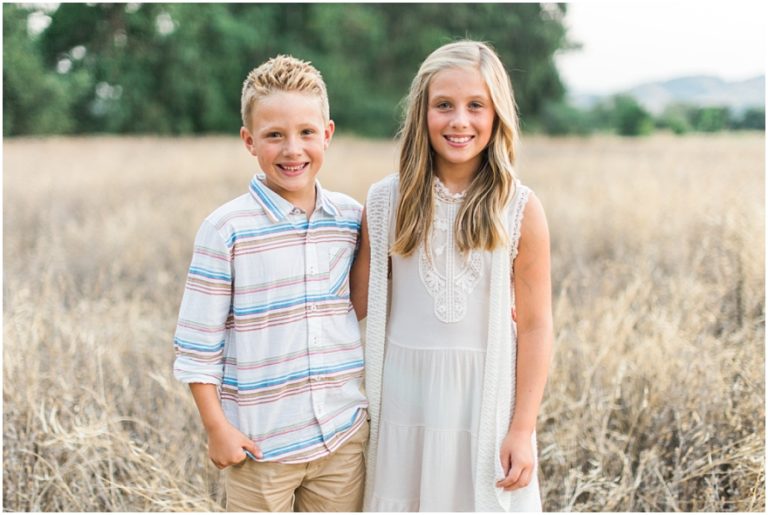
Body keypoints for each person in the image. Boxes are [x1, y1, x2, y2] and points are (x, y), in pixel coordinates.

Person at [350, 40, 553, 511]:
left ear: (497, 114)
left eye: (475, 106)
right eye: (444, 105)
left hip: (482, 402)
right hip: (403, 402)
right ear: (422, 112)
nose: (459, 121)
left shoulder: (519, 208)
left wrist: (522, 428)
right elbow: (355, 307)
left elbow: (537, 325)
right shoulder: (384, 203)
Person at [173, 55, 368, 512]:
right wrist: (218, 429)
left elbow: (369, 301)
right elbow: (197, 346)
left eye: (306, 133)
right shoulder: (227, 230)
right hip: (260, 449)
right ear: (249, 140)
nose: (292, 149)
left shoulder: (350, 219)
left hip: (341, 437)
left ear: (328, 134)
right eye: (274, 135)